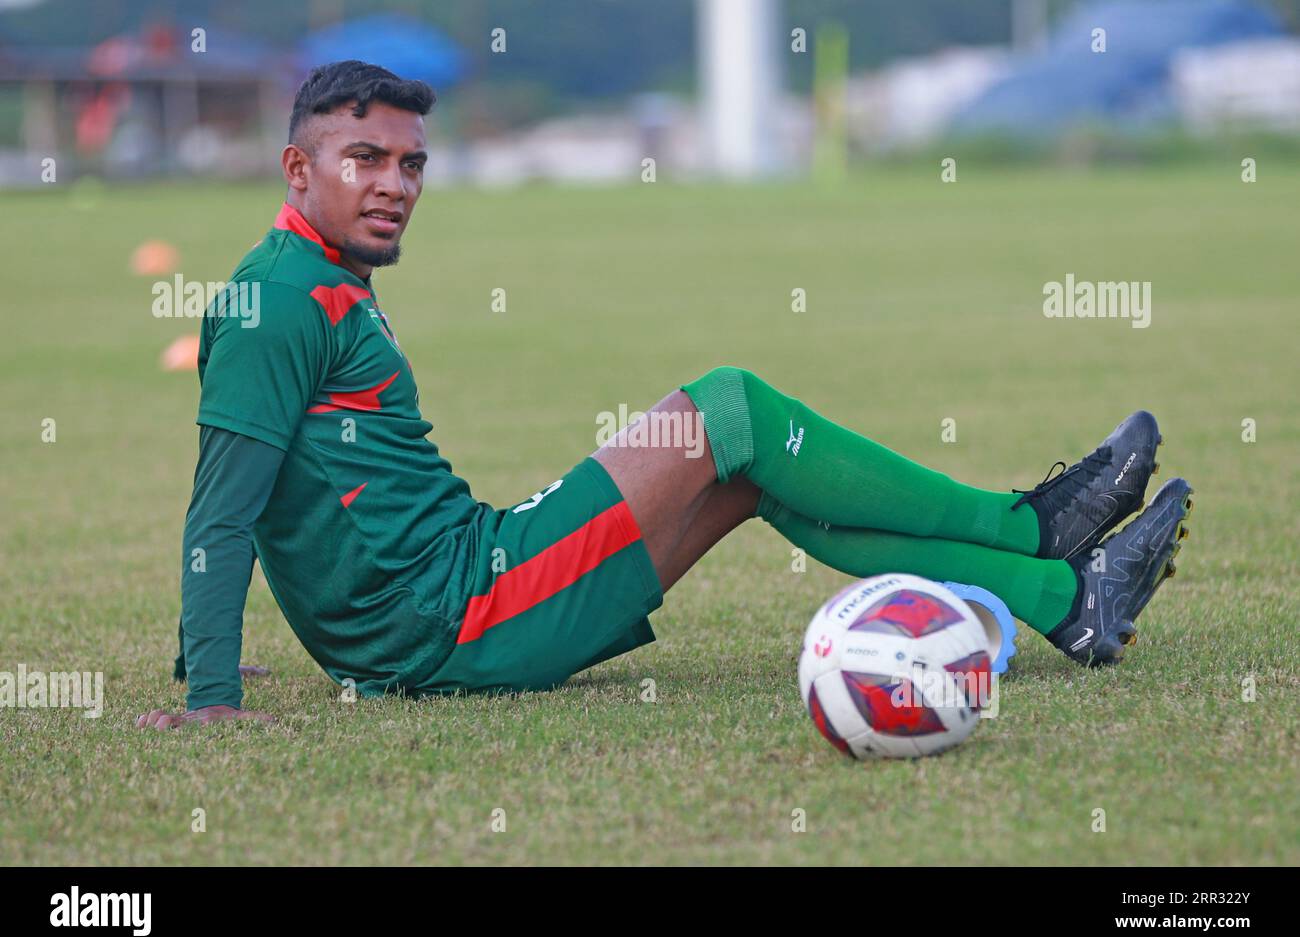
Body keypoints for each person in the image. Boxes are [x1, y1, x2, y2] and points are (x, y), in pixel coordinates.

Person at [137, 61, 1192, 730]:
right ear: (294, 168)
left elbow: (269, 483)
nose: (394, 184)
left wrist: (209, 652)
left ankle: (1069, 601)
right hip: (452, 614)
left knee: (745, 479)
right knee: (726, 405)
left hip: (462, 573)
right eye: (363, 158)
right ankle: (1032, 524)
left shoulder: (320, 281)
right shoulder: (278, 300)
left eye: (411, 163)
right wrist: (211, 693)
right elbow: (222, 502)